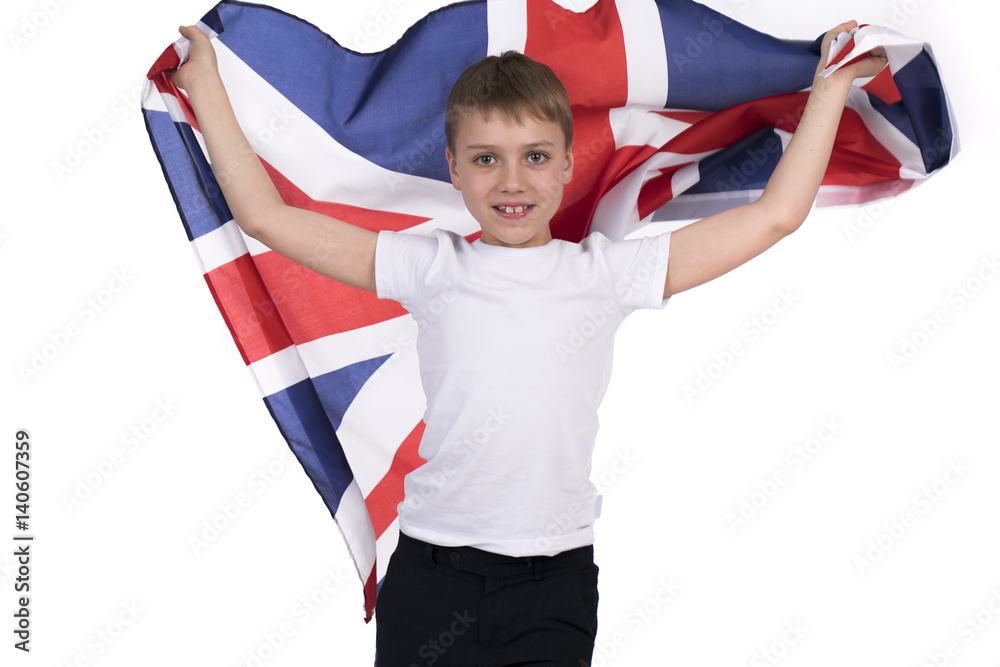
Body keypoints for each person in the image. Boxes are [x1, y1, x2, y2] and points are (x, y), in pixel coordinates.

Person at [169, 20, 885, 666]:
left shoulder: (604, 274)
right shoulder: (429, 266)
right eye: (486, 159)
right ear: (453, 169)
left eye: (536, 156)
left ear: (570, 164)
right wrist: (205, 84)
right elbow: (265, 216)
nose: (513, 181)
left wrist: (830, 84)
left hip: (552, 590)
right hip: (430, 581)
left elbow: (776, 216)